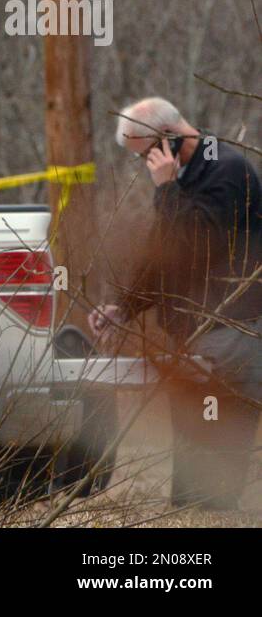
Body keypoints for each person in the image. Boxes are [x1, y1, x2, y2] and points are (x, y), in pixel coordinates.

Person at [90, 96, 262, 510]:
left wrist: (166, 190)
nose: (145, 164)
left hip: (230, 326)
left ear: (168, 137)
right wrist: (124, 308)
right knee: (189, 429)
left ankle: (215, 511)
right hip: (194, 329)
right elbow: (164, 255)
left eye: (146, 154)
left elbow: (196, 245)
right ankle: (189, 509)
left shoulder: (226, 170)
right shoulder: (186, 175)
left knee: (218, 426)